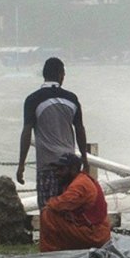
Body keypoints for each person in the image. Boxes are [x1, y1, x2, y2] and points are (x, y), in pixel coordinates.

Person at [17, 57, 88, 211]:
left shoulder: (33, 100)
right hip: (71, 167)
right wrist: (85, 159)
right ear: (61, 75)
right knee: (71, 212)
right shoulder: (72, 98)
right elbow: (80, 129)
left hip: (48, 167)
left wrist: (21, 165)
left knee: (48, 212)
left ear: (44, 75)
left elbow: (26, 132)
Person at [38, 154, 112, 252]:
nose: (57, 173)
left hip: (94, 235)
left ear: (73, 169)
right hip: (96, 231)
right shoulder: (80, 180)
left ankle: (50, 252)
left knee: (48, 214)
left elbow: (58, 205)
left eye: (61, 169)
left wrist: (50, 202)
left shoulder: (79, 185)